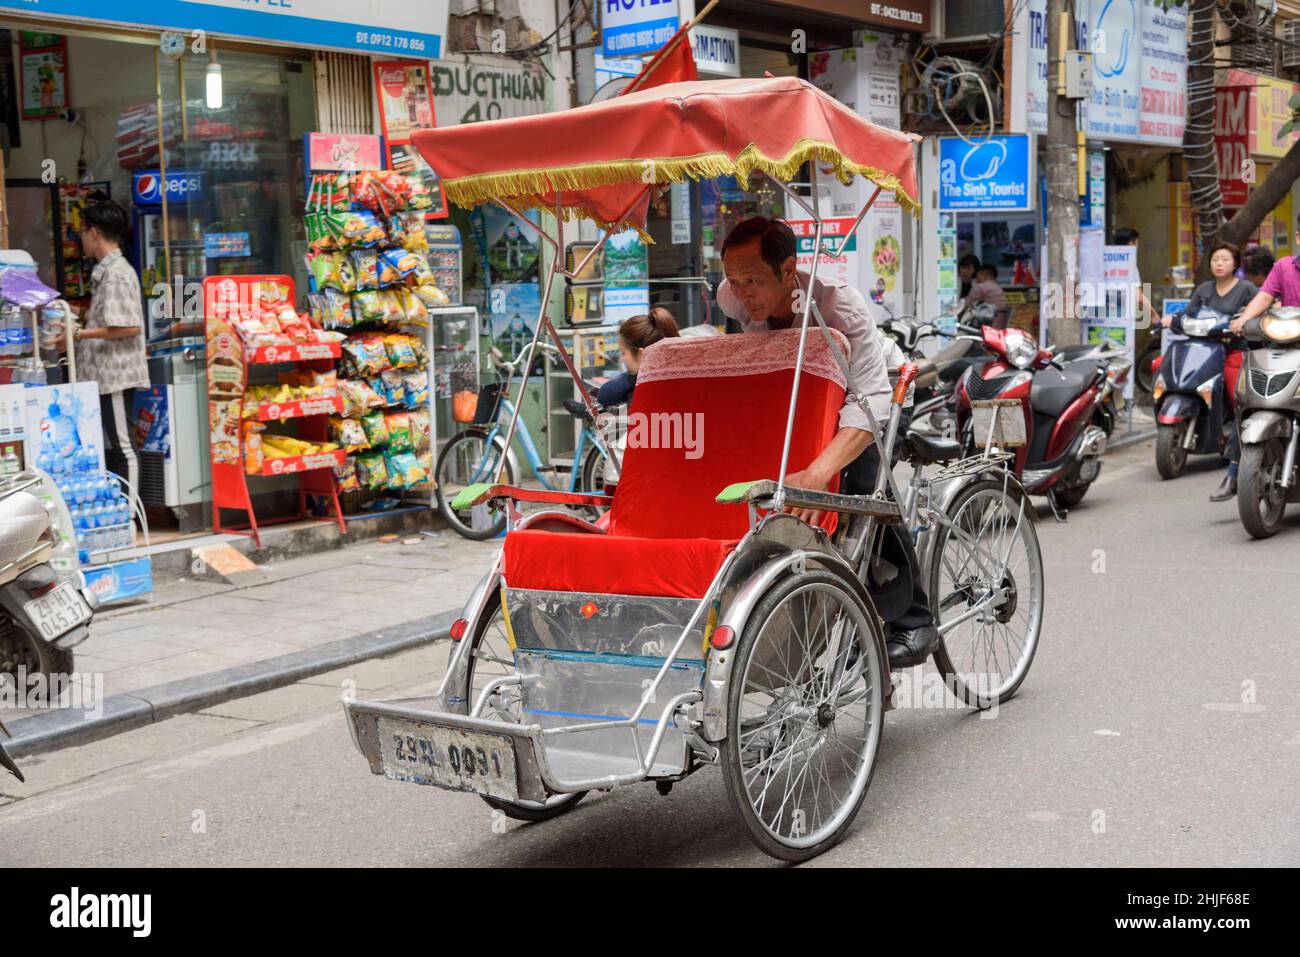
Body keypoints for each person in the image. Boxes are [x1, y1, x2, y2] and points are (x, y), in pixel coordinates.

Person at [716, 216, 937, 667]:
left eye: (753, 281)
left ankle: (915, 617)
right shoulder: (731, 298)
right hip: (806, 397)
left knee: (862, 487)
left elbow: (871, 401)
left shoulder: (839, 306)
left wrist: (820, 471)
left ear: (788, 269)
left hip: (874, 391)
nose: (743, 293)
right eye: (734, 281)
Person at [62, 200, 151, 494]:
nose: (81, 241)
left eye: (83, 233)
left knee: (124, 445)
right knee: (112, 442)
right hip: (102, 375)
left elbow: (129, 326)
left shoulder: (117, 273)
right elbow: (107, 318)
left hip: (115, 375)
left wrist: (78, 335)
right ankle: (120, 508)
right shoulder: (107, 271)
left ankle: (129, 514)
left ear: (95, 232)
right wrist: (70, 312)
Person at [1163, 242, 1256, 501]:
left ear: (1235, 264)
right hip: (1203, 348)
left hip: (1233, 351)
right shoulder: (1204, 289)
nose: (1219, 263)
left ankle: (1240, 441)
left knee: (1240, 398)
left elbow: (1256, 313)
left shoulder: (1247, 289)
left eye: (1225, 259)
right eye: (1215, 259)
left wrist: (1243, 323)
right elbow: (1188, 313)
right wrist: (1175, 320)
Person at [594, 308, 680, 490]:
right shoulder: (682, 378)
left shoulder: (638, 385)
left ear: (641, 355)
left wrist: (634, 375)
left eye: (623, 353)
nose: (623, 360)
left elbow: (605, 394)